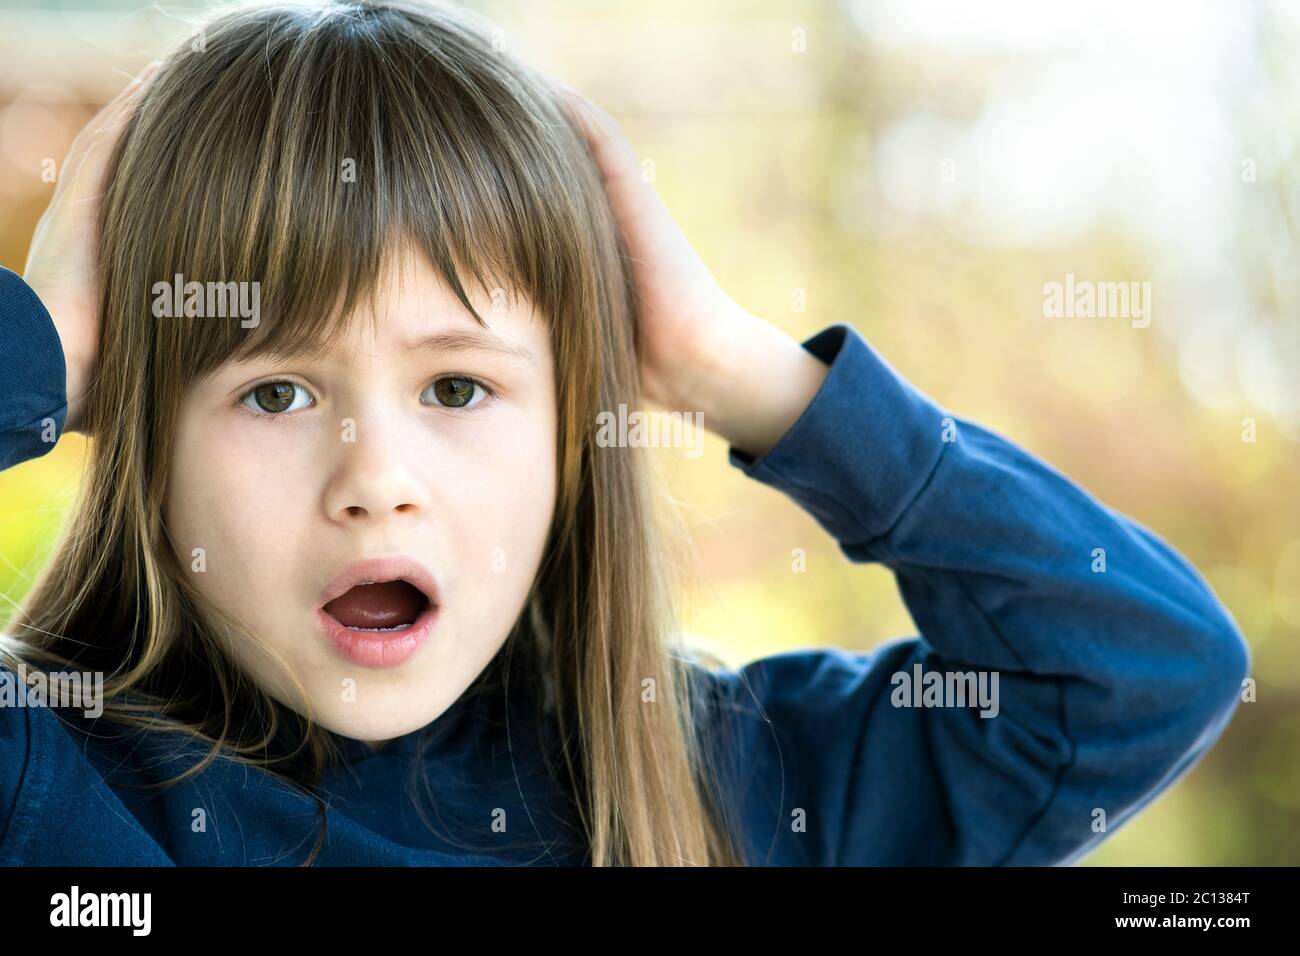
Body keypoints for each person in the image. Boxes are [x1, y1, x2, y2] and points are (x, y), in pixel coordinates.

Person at [0, 0, 1249, 866]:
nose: (376, 481)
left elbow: (1144, 675)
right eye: (275, 392)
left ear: (570, 433)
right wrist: (40, 348)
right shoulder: (45, 784)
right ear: (138, 432)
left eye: (456, 388)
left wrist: (736, 369)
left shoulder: (737, 787)